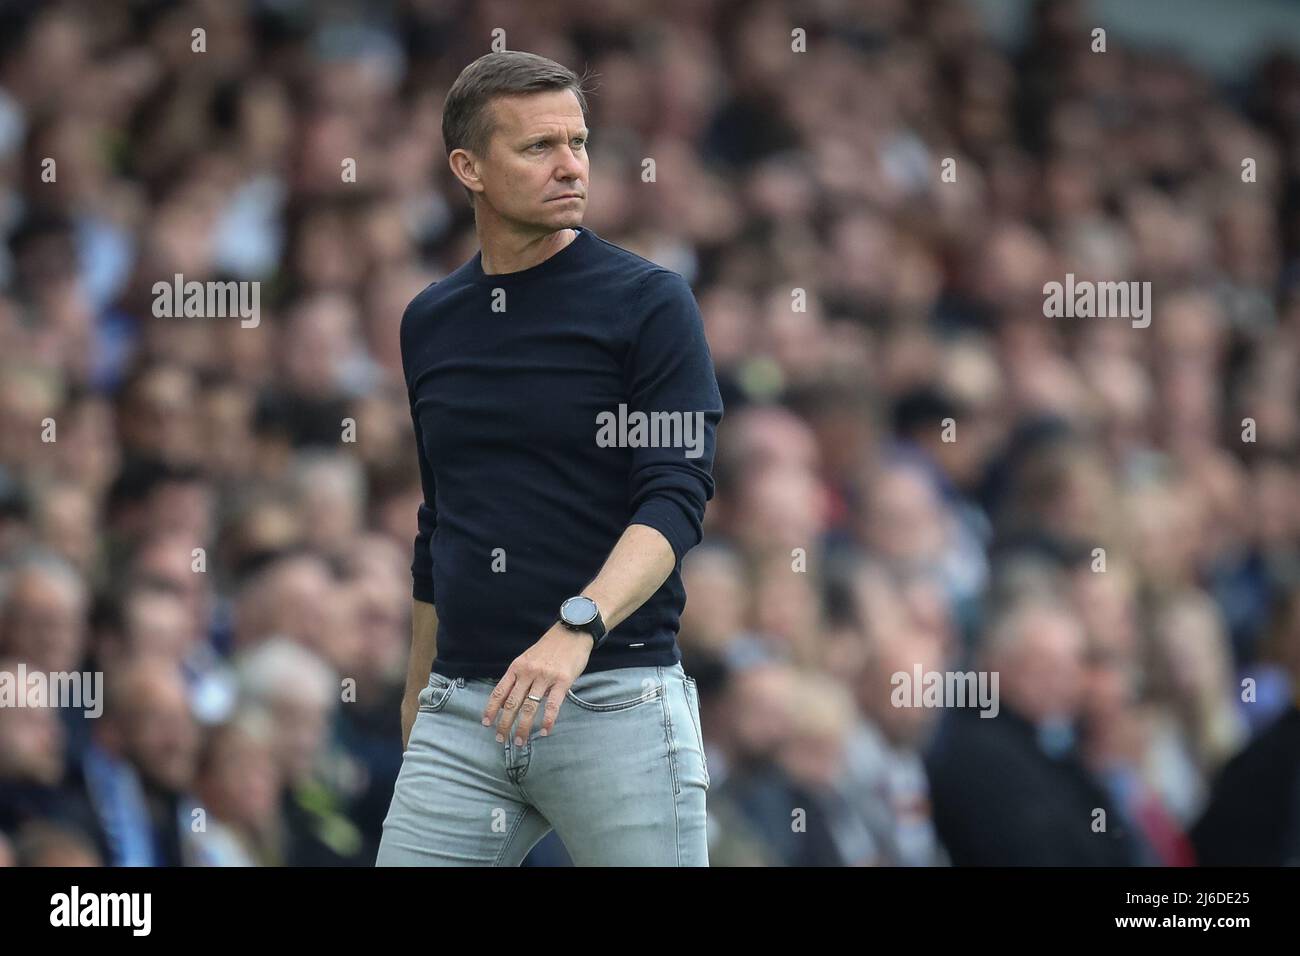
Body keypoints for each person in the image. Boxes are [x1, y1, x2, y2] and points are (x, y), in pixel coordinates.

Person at [376, 51, 723, 866]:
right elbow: (441, 522)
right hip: (463, 710)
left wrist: (579, 625)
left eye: (579, 141)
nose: (571, 165)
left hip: (617, 697)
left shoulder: (651, 302)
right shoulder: (430, 321)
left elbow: (676, 496)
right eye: (538, 147)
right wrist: (417, 700)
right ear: (468, 168)